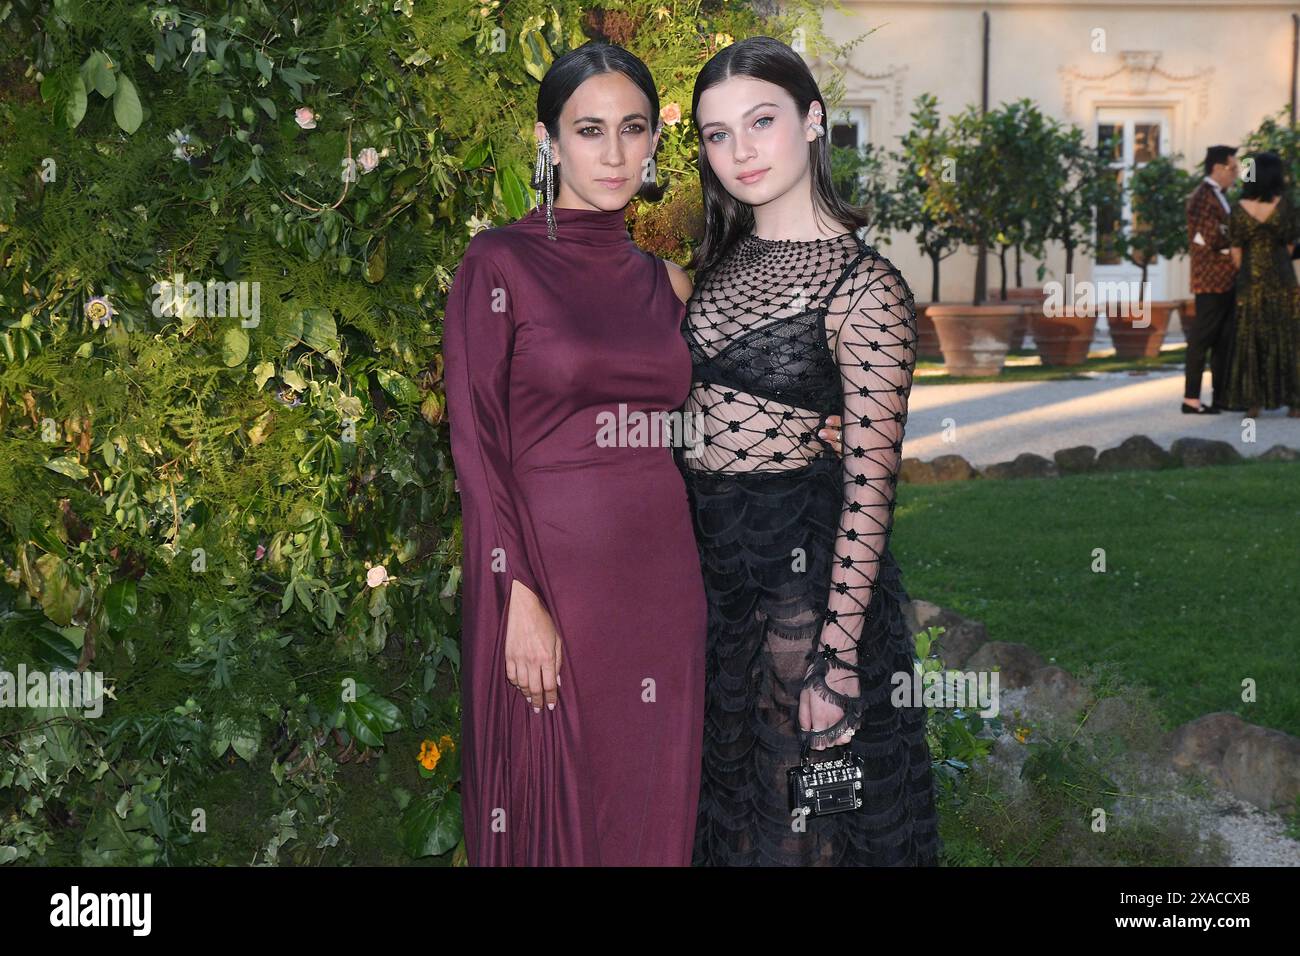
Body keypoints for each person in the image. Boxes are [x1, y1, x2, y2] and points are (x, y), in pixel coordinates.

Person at [443, 40, 848, 865]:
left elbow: (712, 419)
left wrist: (816, 426)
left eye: (634, 129)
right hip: (544, 578)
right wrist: (514, 591)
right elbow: (476, 445)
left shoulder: (665, 282)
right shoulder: (498, 263)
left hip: (662, 585)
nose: (616, 152)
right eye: (590, 130)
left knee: (650, 803)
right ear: (549, 141)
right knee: (555, 804)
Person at [674, 36, 941, 866]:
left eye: (761, 121)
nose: (740, 151)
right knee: (733, 817)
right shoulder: (716, 264)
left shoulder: (866, 287)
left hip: (803, 593)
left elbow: (870, 487)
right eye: (718, 134)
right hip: (716, 590)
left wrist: (835, 659)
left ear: (813, 119)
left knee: (800, 836)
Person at [1220, 150, 1300, 418]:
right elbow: (1289, 246)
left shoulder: (1237, 209)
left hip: (1250, 280)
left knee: (1250, 338)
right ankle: (1294, 402)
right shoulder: (1286, 206)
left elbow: (1235, 253)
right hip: (1282, 279)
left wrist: (1248, 272)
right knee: (1287, 336)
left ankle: (1252, 402)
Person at [1182, 145, 1239, 414]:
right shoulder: (1203, 197)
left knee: (1224, 339)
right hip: (1211, 279)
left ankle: (1221, 396)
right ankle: (1191, 399)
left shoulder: (1219, 196)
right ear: (1217, 168)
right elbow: (1210, 237)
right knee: (1202, 338)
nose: (1236, 174)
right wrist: (1239, 237)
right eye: (1233, 168)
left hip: (1225, 277)